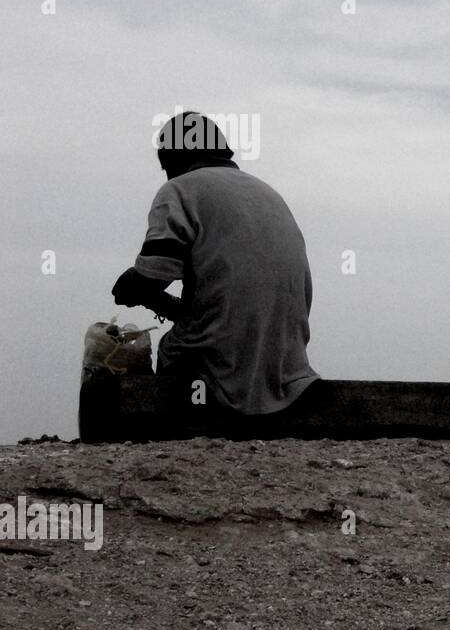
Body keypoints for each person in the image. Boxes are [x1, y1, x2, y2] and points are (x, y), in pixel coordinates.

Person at [111, 110, 318, 419]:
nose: (167, 175)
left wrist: (131, 284)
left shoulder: (180, 190)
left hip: (220, 368)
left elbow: (152, 276)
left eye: (166, 166)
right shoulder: (266, 193)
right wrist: (155, 297)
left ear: (176, 158)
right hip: (288, 370)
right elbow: (230, 302)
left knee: (173, 349)